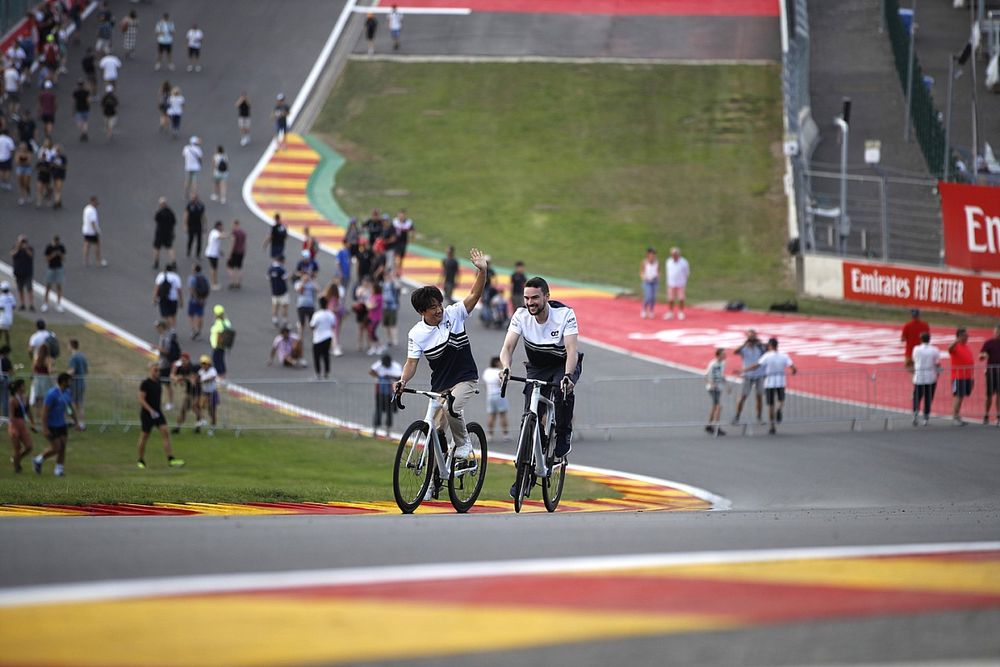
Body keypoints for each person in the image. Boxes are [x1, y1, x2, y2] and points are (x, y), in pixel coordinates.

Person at [395, 249, 490, 475]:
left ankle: (464, 447)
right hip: (440, 385)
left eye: (439, 304)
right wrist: (402, 381)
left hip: (465, 378)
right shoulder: (416, 334)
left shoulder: (454, 313)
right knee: (435, 431)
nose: (439, 309)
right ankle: (435, 479)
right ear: (421, 311)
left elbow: (474, 295)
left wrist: (482, 271)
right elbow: (411, 363)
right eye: (433, 307)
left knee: (452, 407)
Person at [499, 275, 582, 462]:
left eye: (535, 298)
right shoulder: (520, 315)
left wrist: (568, 376)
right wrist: (506, 368)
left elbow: (571, 350)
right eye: (526, 298)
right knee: (531, 409)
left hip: (562, 363)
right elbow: (508, 347)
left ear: (547, 297)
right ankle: (531, 449)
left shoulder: (565, 315)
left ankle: (563, 433)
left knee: (562, 391)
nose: (530, 303)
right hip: (537, 366)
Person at [741, 337, 797, 435]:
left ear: (770, 346)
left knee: (771, 405)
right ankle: (779, 409)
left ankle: (772, 426)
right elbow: (793, 368)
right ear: (777, 345)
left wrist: (744, 370)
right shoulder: (784, 355)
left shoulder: (767, 356)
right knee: (781, 400)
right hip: (780, 382)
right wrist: (793, 371)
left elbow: (756, 365)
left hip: (770, 383)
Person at [137, 362, 185, 469]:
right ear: (150, 370)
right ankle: (141, 460)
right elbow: (141, 399)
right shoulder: (145, 383)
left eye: (158, 370)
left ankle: (171, 459)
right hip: (147, 414)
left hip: (158, 412)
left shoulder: (158, 382)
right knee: (144, 436)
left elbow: (170, 381)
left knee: (165, 432)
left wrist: (178, 379)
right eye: (155, 370)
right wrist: (150, 410)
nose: (158, 372)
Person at [32, 372, 73, 477]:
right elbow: (44, 412)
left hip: (61, 424)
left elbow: (70, 407)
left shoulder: (67, 392)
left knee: (63, 446)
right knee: (56, 447)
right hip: (51, 425)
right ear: (63, 382)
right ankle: (38, 459)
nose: (71, 383)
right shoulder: (52, 394)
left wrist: (76, 422)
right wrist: (44, 428)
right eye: (69, 381)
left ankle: (59, 469)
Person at [732, 329, 766, 425]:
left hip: (759, 375)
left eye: (753, 337)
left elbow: (767, 352)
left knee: (759, 397)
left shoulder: (760, 348)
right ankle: (737, 416)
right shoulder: (744, 348)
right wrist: (744, 344)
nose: (751, 339)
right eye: (750, 337)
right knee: (743, 396)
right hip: (747, 376)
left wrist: (760, 343)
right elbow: (735, 351)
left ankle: (759, 417)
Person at [911, 331, 941, 427]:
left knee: (917, 397)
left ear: (921, 339)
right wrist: (938, 373)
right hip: (930, 377)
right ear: (929, 339)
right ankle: (925, 418)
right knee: (928, 398)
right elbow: (937, 363)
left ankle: (915, 414)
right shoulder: (934, 350)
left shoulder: (916, 349)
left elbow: (914, 359)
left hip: (919, 377)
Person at [370, 352, 402, 435]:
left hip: (390, 393)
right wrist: (379, 376)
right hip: (380, 391)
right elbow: (371, 371)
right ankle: (375, 429)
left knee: (389, 411)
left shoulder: (396, 366)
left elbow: (400, 377)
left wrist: (389, 377)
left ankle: (388, 430)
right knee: (378, 409)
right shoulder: (379, 364)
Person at [948, 328, 974, 426]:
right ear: (960, 336)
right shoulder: (956, 346)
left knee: (962, 396)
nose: (967, 337)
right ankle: (955, 417)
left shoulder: (966, 346)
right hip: (958, 377)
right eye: (965, 336)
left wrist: (972, 377)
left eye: (967, 335)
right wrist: (956, 341)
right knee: (958, 396)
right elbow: (949, 349)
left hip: (967, 376)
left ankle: (958, 416)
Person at [8, 378, 35, 473]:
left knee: (29, 447)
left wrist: (32, 423)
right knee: (17, 448)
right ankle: (17, 468)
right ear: (19, 387)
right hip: (14, 425)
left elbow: (28, 411)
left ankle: (16, 459)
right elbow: (11, 416)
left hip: (22, 424)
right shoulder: (13, 400)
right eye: (23, 385)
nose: (25, 387)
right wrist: (13, 428)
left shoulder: (25, 398)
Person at [170, 352, 202, 433]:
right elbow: (172, 375)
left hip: (197, 392)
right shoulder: (181, 368)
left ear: (187, 359)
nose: (183, 361)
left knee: (195, 407)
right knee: (183, 409)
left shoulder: (192, 367)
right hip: (188, 392)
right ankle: (178, 427)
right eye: (182, 360)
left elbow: (193, 377)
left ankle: (199, 424)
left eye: (184, 360)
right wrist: (176, 377)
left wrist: (181, 378)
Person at [482, 356, 509, 441]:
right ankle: (505, 434)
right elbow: (502, 383)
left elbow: (485, 384)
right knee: (502, 415)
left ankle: (490, 435)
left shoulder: (487, 371)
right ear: (497, 363)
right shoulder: (499, 372)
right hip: (499, 395)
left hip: (490, 395)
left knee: (491, 415)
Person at [154, 319, 179, 410]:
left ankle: (170, 402)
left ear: (162, 327)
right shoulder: (162, 336)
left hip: (166, 365)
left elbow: (167, 351)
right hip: (162, 363)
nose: (156, 329)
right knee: (161, 384)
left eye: (158, 327)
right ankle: (161, 401)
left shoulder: (166, 337)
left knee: (166, 384)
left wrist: (157, 348)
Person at [309, 296, 335, 380]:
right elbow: (333, 325)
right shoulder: (330, 314)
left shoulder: (317, 315)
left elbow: (312, 326)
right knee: (326, 355)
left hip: (318, 338)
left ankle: (318, 373)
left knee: (316, 356)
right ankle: (326, 373)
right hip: (328, 336)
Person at [704, 347, 728, 436]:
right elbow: (706, 375)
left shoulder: (723, 363)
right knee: (719, 407)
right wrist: (711, 384)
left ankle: (709, 425)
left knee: (714, 407)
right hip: (712, 388)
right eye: (723, 354)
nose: (725, 355)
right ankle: (717, 427)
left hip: (719, 388)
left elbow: (722, 375)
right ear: (718, 355)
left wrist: (727, 385)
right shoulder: (712, 364)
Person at [980, 325, 1000, 426]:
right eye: (995, 332)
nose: (996, 334)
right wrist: (984, 355)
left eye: (998, 332)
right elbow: (980, 356)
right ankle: (986, 415)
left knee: (999, 396)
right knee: (989, 395)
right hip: (991, 373)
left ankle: (998, 416)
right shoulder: (989, 343)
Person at [153, 263, 183, 329]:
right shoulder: (176, 277)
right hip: (174, 299)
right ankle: (173, 328)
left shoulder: (161, 275)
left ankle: (169, 328)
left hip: (163, 298)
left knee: (165, 315)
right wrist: (181, 301)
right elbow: (179, 290)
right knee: (173, 314)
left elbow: (157, 288)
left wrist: (154, 299)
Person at [41, 235, 66, 313]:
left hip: (59, 268)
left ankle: (58, 303)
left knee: (59, 286)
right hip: (51, 268)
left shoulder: (61, 247)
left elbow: (64, 259)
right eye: (55, 241)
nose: (56, 243)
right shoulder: (49, 247)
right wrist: (53, 255)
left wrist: (60, 254)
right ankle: (45, 304)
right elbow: (46, 259)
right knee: (48, 287)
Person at [67, 339, 88, 431]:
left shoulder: (73, 357)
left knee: (74, 404)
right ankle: (81, 423)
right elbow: (86, 370)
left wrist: (64, 376)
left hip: (75, 383)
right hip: (82, 382)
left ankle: (76, 422)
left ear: (71, 346)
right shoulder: (82, 356)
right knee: (80, 404)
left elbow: (72, 371)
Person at [663, 247, 689, 320]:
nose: (674, 255)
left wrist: (683, 280)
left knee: (681, 298)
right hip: (671, 283)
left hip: (680, 283)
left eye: (676, 254)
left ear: (679, 254)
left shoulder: (684, 262)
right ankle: (670, 312)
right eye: (673, 254)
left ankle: (681, 312)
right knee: (670, 299)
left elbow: (686, 272)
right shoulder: (668, 262)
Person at [81, 195, 107, 266]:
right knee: (97, 245)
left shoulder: (86, 208)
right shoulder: (92, 210)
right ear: (92, 202)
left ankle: (85, 260)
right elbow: (93, 222)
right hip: (92, 231)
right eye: (96, 202)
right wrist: (96, 231)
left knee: (86, 244)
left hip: (86, 230)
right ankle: (98, 261)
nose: (97, 203)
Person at [11, 235, 35, 310]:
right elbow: (12, 254)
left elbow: (31, 255)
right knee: (20, 289)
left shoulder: (29, 248)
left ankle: (31, 304)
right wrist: (18, 247)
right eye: (21, 241)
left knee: (29, 288)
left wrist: (26, 248)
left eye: (24, 241)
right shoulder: (15, 247)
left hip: (27, 272)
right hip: (18, 272)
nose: (23, 243)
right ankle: (22, 304)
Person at [152, 197, 177, 269]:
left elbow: (156, 219)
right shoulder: (170, 212)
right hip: (168, 233)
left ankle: (156, 262)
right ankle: (173, 262)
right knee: (170, 248)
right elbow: (174, 222)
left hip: (160, 233)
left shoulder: (159, 212)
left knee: (157, 248)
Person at [187, 264, 210, 340]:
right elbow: (208, 289)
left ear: (194, 270)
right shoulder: (204, 278)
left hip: (194, 300)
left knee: (191, 315)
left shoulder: (192, 278)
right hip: (202, 299)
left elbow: (191, 289)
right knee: (200, 315)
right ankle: (199, 330)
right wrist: (204, 299)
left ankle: (193, 330)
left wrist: (196, 298)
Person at [209, 304, 232, 378]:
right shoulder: (226, 322)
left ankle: (220, 377)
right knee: (221, 360)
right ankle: (222, 376)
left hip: (217, 345)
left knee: (217, 361)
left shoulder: (218, 324)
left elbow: (216, 333)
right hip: (223, 345)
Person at [197, 354, 218, 433]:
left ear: (209, 364)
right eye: (202, 364)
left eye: (205, 364)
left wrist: (203, 380)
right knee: (199, 406)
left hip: (212, 393)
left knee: (211, 411)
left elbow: (212, 377)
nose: (204, 365)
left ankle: (213, 427)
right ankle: (203, 420)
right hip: (205, 392)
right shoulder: (201, 371)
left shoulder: (212, 370)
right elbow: (197, 377)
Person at [268, 255, 289, 328]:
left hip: (274, 291)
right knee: (285, 306)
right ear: (281, 260)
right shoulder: (281, 269)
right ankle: (285, 321)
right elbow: (285, 277)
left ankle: (275, 319)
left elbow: (268, 278)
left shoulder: (271, 268)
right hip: (282, 291)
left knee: (275, 306)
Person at [204, 220, 225, 288]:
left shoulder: (215, 232)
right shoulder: (214, 232)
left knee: (215, 268)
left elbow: (216, 244)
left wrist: (220, 251)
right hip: (212, 254)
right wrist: (228, 235)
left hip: (214, 253)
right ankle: (213, 283)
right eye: (222, 226)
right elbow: (220, 237)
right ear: (218, 226)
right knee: (213, 269)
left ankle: (215, 282)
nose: (222, 228)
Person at [391, 209, 413, 273]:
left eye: (402, 215)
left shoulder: (408, 223)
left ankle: (399, 269)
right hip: (396, 242)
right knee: (396, 256)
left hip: (403, 242)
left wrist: (411, 238)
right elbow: (391, 230)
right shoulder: (395, 222)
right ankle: (396, 269)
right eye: (400, 215)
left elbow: (412, 230)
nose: (401, 217)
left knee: (401, 257)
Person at [226, 219, 245, 289]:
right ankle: (238, 283)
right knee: (239, 268)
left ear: (235, 224)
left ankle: (232, 282)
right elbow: (244, 243)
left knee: (230, 267)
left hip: (235, 252)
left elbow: (233, 243)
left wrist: (230, 254)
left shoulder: (234, 232)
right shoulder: (243, 233)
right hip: (241, 252)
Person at [640, 246, 658, 319]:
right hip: (647, 282)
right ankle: (644, 310)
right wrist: (644, 278)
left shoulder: (657, 262)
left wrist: (657, 276)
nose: (653, 255)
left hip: (654, 282)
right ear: (648, 254)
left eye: (654, 254)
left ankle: (651, 311)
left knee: (653, 298)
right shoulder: (644, 262)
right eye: (651, 253)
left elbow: (658, 271)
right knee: (648, 297)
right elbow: (641, 272)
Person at [184, 193, 205, 257]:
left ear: (197, 198)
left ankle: (198, 254)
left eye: (194, 198)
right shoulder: (189, 205)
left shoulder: (201, 205)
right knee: (191, 239)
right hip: (191, 224)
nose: (193, 199)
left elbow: (203, 216)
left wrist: (204, 225)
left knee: (199, 240)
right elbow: (186, 215)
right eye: (192, 198)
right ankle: (189, 250)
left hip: (198, 224)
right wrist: (185, 225)